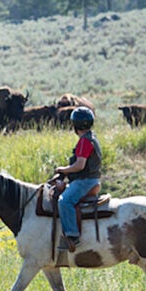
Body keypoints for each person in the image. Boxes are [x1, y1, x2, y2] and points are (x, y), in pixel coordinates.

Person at [54, 107, 101, 253]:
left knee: (64, 201)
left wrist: (63, 169)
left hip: (85, 181)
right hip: (91, 179)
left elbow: (80, 165)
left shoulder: (84, 142)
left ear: (75, 125)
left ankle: (72, 236)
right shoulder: (92, 138)